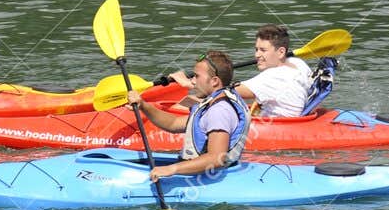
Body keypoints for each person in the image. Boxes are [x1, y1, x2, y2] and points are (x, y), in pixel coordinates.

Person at [127, 50, 248, 182]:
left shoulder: (219, 111)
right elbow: (173, 123)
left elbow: (216, 158)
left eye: (197, 76)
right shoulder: (213, 103)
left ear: (214, 81)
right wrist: (143, 106)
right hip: (207, 171)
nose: (193, 81)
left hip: (208, 177)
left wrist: (171, 169)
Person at [169, 24, 310, 117]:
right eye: (256, 49)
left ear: (280, 52)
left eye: (263, 50)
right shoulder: (297, 63)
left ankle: (163, 124)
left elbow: (220, 90)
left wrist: (190, 83)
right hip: (286, 116)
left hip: (276, 127)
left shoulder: (272, 77)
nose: (257, 55)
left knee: (189, 101)